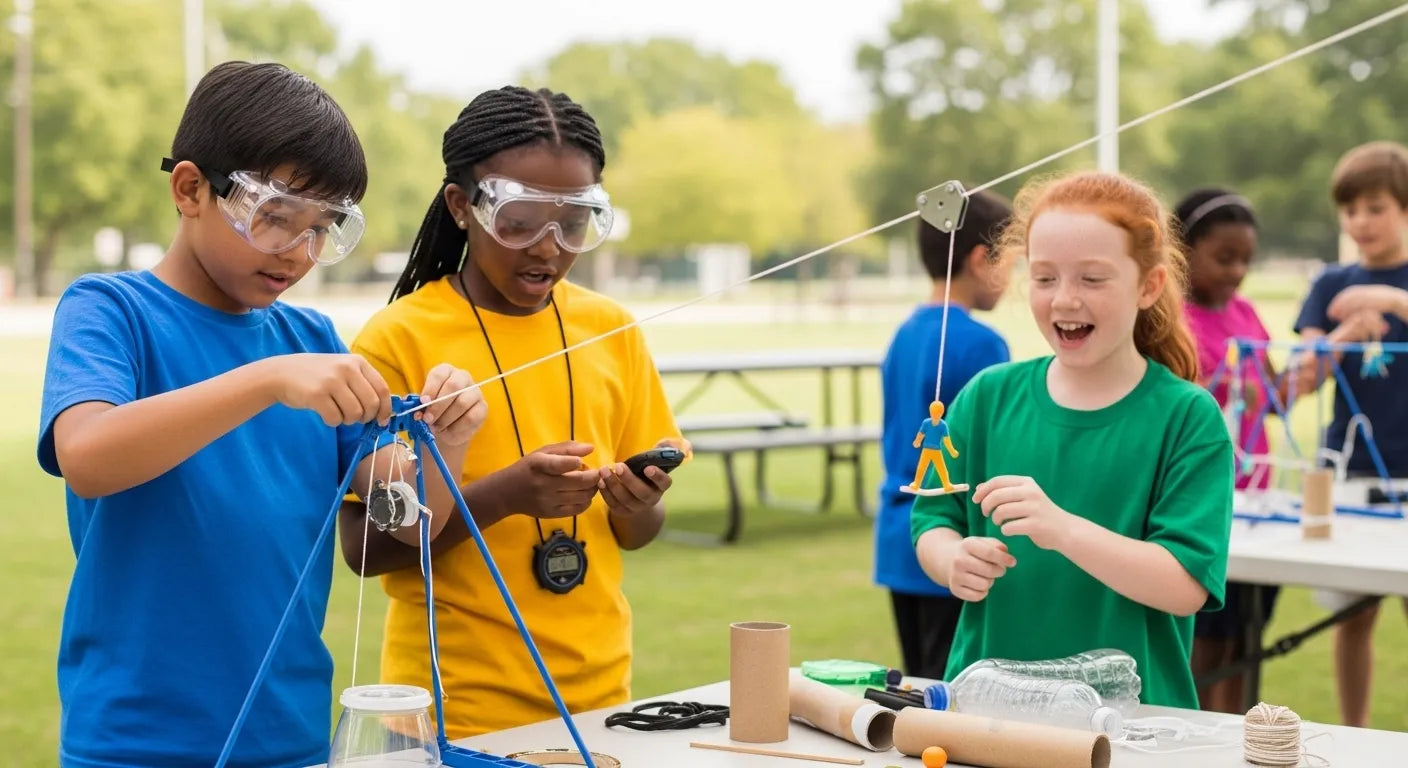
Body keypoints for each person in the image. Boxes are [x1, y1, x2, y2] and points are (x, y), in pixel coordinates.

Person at [36, 61, 486, 768]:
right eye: (275, 218)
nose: (299, 254)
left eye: (324, 230)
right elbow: (87, 458)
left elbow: (400, 515)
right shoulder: (111, 312)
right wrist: (266, 380)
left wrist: (447, 443)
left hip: (293, 735)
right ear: (190, 188)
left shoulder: (310, 342)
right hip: (137, 741)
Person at [342, 85, 684, 739]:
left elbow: (637, 533)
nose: (548, 248)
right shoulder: (398, 339)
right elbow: (366, 550)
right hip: (445, 716)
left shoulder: (612, 328)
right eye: (520, 221)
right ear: (462, 207)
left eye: (574, 222)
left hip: (599, 704)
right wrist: (506, 495)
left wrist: (635, 504)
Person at [911, 170, 1233, 709]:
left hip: (1133, 730)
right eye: (1044, 278)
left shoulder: (1187, 418)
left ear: (1148, 286)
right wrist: (950, 558)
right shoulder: (987, 397)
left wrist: (1061, 528)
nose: (1064, 299)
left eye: (1092, 279)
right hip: (988, 719)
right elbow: (932, 519)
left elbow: (1185, 585)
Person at [1291, 140, 1408, 727]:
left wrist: (1391, 300)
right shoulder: (1331, 283)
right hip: (1353, 469)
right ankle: (1354, 733)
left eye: (1375, 207)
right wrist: (1344, 333)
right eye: (1350, 209)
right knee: (1351, 619)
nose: (1359, 221)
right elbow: (1301, 380)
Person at [874, 191, 1013, 679]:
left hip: (898, 540)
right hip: (952, 545)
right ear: (980, 259)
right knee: (952, 700)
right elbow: (1000, 450)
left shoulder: (904, 333)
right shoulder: (983, 345)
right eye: (1010, 261)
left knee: (922, 686)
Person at [1174, 187, 1287, 713]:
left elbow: (1274, 397)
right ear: (1184, 249)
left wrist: (1319, 362)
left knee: (1248, 637)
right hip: (1206, 502)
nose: (1238, 270)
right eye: (1224, 257)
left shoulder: (1246, 313)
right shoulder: (1172, 321)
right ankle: (1201, 736)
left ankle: (1238, 738)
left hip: (1257, 500)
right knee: (1207, 638)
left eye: (1245, 259)